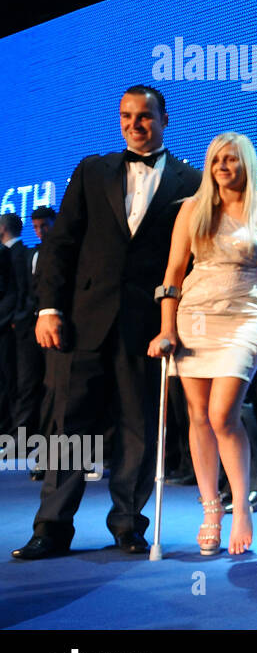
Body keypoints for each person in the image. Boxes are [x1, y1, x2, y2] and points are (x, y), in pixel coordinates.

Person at [13, 86, 201, 560]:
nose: (134, 125)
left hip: (147, 329)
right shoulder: (91, 170)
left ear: (165, 119)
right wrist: (49, 309)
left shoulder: (191, 181)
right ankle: (51, 528)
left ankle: (128, 525)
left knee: (139, 429)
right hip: (81, 323)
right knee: (66, 428)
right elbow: (62, 245)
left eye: (144, 116)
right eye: (126, 116)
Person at [148, 132, 257, 556]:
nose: (224, 168)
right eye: (216, 161)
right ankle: (211, 507)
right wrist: (166, 329)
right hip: (194, 317)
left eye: (232, 160)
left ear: (247, 163)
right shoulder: (192, 208)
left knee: (223, 414)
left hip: (242, 318)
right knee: (198, 416)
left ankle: (239, 505)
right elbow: (173, 272)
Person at [11, 207, 56, 471]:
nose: (41, 231)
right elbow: (25, 289)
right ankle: (23, 442)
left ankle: (52, 455)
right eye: (37, 227)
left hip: (56, 329)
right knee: (28, 386)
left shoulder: (67, 250)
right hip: (28, 330)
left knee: (54, 389)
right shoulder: (31, 253)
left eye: (45, 225)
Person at [0, 213, 21, 434]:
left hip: (8, 327)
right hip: (10, 324)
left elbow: (11, 292)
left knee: (9, 382)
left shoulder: (8, 253)